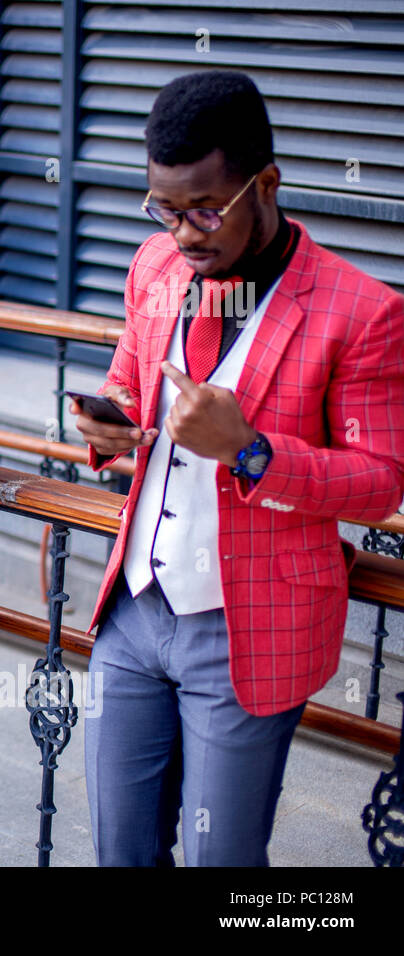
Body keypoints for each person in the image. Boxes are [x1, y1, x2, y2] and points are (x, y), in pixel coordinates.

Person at [73, 70, 404, 866]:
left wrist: (251, 451)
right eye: (165, 208)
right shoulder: (155, 266)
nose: (184, 231)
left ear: (266, 183)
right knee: (121, 851)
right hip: (134, 609)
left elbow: (380, 478)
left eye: (204, 209)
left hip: (248, 627)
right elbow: (128, 373)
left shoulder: (360, 311)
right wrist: (108, 425)